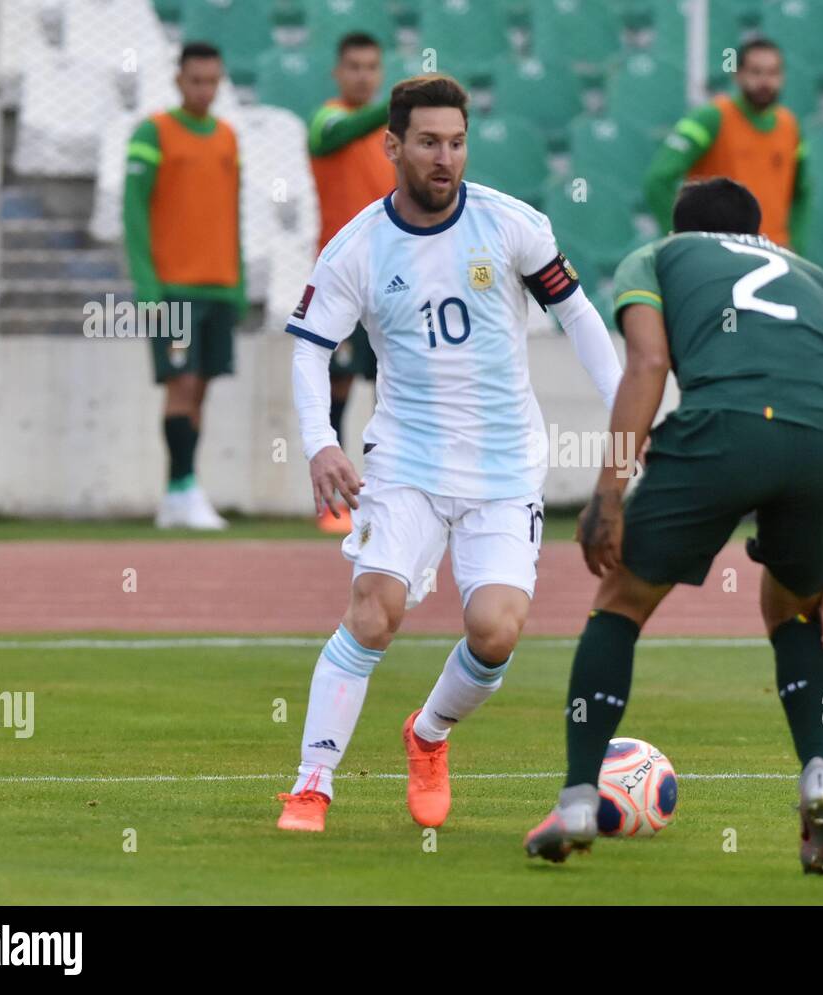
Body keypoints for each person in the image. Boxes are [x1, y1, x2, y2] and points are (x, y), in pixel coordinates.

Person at [276, 75, 623, 834]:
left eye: (457, 142)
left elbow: (581, 318)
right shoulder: (358, 247)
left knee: (496, 630)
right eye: (429, 143)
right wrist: (321, 443)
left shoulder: (512, 226)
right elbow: (308, 349)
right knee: (375, 611)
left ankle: (428, 734)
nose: (446, 158)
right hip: (405, 461)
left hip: (503, 470)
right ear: (393, 145)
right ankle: (311, 782)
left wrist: (630, 418)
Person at [523, 178, 823, 875]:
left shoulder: (658, 256)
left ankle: (579, 798)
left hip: (725, 428)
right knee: (793, 610)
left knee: (620, 602)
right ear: (758, 228)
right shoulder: (815, 280)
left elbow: (649, 363)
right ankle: (820, 777)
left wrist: (609, 491)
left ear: (681, 227)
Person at [124, 41, 245, 530]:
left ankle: (184, 488)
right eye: (196, 80)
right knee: (182, 385)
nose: (204, 89)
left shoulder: (229, 138)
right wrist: (147, 285)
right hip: (173, 288)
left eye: (213, 81)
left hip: (218, 286)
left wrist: (238, 284)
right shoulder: (154, 132)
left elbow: (231, 213)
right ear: (178, 80)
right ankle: (179, 490)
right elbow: (132, 210)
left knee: (202, 391)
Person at [307, 32, 391, 533]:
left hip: (390, 281)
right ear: (338, 72)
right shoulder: (328, 118)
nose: (362, 75)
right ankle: (334, 501)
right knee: (336, 386)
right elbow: (331, 137)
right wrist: (393, 108)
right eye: (353, 66)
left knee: (391, 386)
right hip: (340, 278)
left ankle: (387, 493)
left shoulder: (389, 140)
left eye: (370, 66)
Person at [644, 38, 811, 251]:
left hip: (773, 254)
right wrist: (683, 239)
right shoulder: (712, 117)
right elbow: (658, 180)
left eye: (773, 73)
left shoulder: (790, 127)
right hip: (721, 254)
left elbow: (803, 192)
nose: (765, 82)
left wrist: (796, 246)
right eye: (756, 72)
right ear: (738, 74)